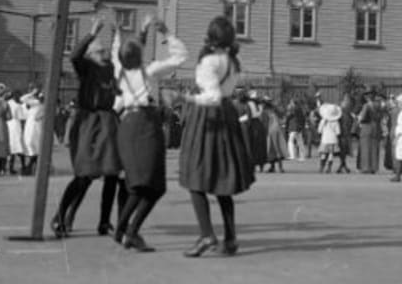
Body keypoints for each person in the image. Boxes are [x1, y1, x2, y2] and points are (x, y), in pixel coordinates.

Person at [178, 15, 254, 257]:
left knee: (195, 176)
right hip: (227, 117)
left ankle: (206, 234)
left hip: (208, 119)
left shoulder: (210, 61)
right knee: (223, 182)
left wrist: (185, 98)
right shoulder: (232, 61)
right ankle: (230, 238)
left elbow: (211, 96)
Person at [110, 15, 188, 252]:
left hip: (127, 125)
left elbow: (122, 50)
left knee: (137, 183)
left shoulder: (118, 70)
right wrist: (166, 33)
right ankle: (129, 230)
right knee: (155, 186)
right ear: (140, 55)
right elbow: (180, 57)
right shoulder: (150, 71)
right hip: (146, 125)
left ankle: (124, 229)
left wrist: (135, 34)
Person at [51, 16, 126, 238]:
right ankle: (60, 216)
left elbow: (120, 59)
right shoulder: (85, 68)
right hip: (88, 123)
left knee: (112, 174)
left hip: (108, 122)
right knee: (84, 174)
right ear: (91, 55)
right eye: (99, 52)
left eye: (105, 52)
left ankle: (104, 222)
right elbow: (74, 55)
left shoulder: (110, 68)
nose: (104, 55)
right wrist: (92, 33)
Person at [21, 89, 44, 176]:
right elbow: (23, 99)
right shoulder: (34, 105)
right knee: (31, 144)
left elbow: (23, 99)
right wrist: (32, 93)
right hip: (31, 126)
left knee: (33, 143)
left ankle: (30, 167)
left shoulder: (37, 103)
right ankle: (32, 167)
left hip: (35, 126)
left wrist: (32, 94)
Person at [317, 97, 343, 174]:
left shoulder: (323, 121)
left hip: (325, 139)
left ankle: (321, 167)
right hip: (333, 139)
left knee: (324, 154)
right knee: (331, 154)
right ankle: (329, 168)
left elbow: (319, 130)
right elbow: (338, 132)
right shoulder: (336, 122)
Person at [357, 94, 381, 173]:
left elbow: (363, 117)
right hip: (375, 127)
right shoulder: (378, 105)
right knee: (374, 147)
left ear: (367, 97)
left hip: (366, 127)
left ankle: (366, 167)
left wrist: (358, 118)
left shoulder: (366, 106)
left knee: (365, 148)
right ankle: (374, 167)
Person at [263, 97, 287, 173]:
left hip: (271, 131)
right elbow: (282, 119)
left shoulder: (266, 111)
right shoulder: (275, 110)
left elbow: (264, 122)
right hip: (277, 131)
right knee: (276, 148)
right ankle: (279, 167)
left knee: (272, 149)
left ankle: (275, 167)